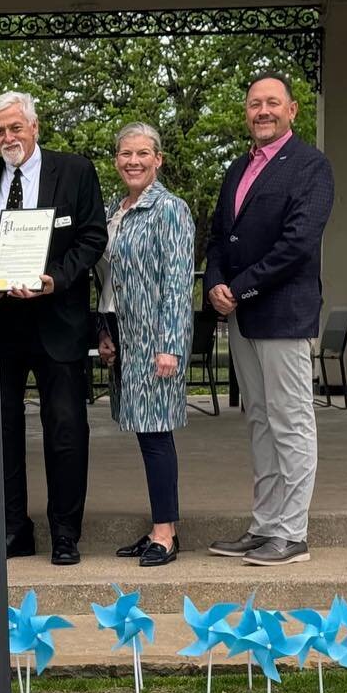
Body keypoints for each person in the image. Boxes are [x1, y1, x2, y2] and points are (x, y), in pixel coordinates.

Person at [0, 91, 107, 566]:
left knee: (66, 429)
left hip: (58, 320)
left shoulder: (76, 171)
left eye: (15, 128)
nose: (8, 138)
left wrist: (55, 279)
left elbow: (92, 237)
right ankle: (13, 530)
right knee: (0, 432)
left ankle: (65, 533)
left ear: (34, 127)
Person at [204, 70, 335, 567]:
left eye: (272, 103)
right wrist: (215, 281)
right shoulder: (238, 168)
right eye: (255, 103)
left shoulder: (311, 167)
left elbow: (298, 244)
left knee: (291, 422)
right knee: (259, 420)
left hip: (282, 314)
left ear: (292, 110)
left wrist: (237, 288)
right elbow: (219, 236)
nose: (262, 111)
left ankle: (293, 534)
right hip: (241, 317)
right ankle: (264, 527)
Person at [96, 122, 196, 568]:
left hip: (156, 339)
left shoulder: (170, 210)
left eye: (142, 153)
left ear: (158, 159)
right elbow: (108, 281)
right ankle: (162, 523)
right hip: (124, 336)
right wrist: (105, 332)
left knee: (157, 435)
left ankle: (165, 534)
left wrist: (170, 345)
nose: (132, 161)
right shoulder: (114, 211)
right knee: (144, 431)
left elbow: (177, 284)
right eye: (125, 153)